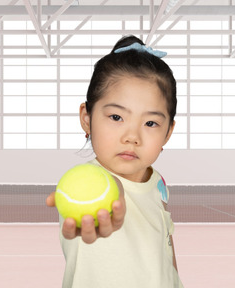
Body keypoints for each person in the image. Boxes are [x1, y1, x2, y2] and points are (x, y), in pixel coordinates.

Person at [46, 35, 184, 288]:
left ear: (168, 131)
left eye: (150, 123)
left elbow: (166, 251)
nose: (132, 137)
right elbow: (111, 194)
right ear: (87, 118)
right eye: (116, 117)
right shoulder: (86, 184)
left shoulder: (157, 181)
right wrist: (110, 202)